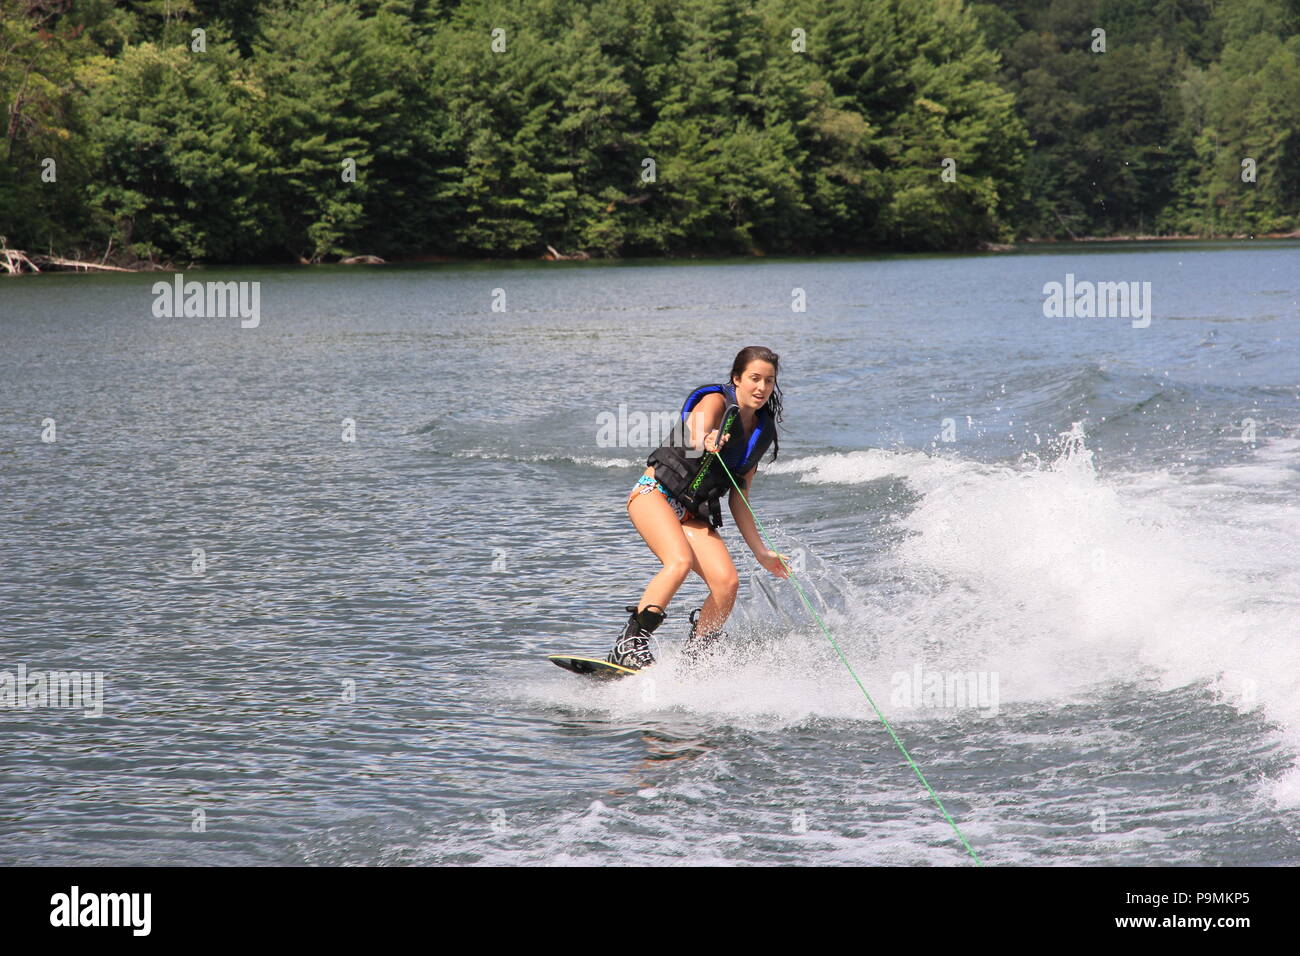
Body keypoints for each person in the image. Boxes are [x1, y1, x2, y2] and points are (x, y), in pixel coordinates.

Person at [608, 345, 790, 670]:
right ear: (737, 378)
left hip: (694, 513)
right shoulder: (717, 401)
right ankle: (629, 644)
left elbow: (739, 499)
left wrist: (761, 552)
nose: (762, 387)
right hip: (656, 494)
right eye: (754, 378)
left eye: (769, 380)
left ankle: (695, 659)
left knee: (726, 583)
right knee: (679, 561)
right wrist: (705, 440)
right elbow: (694, 432)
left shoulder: (761, 433)